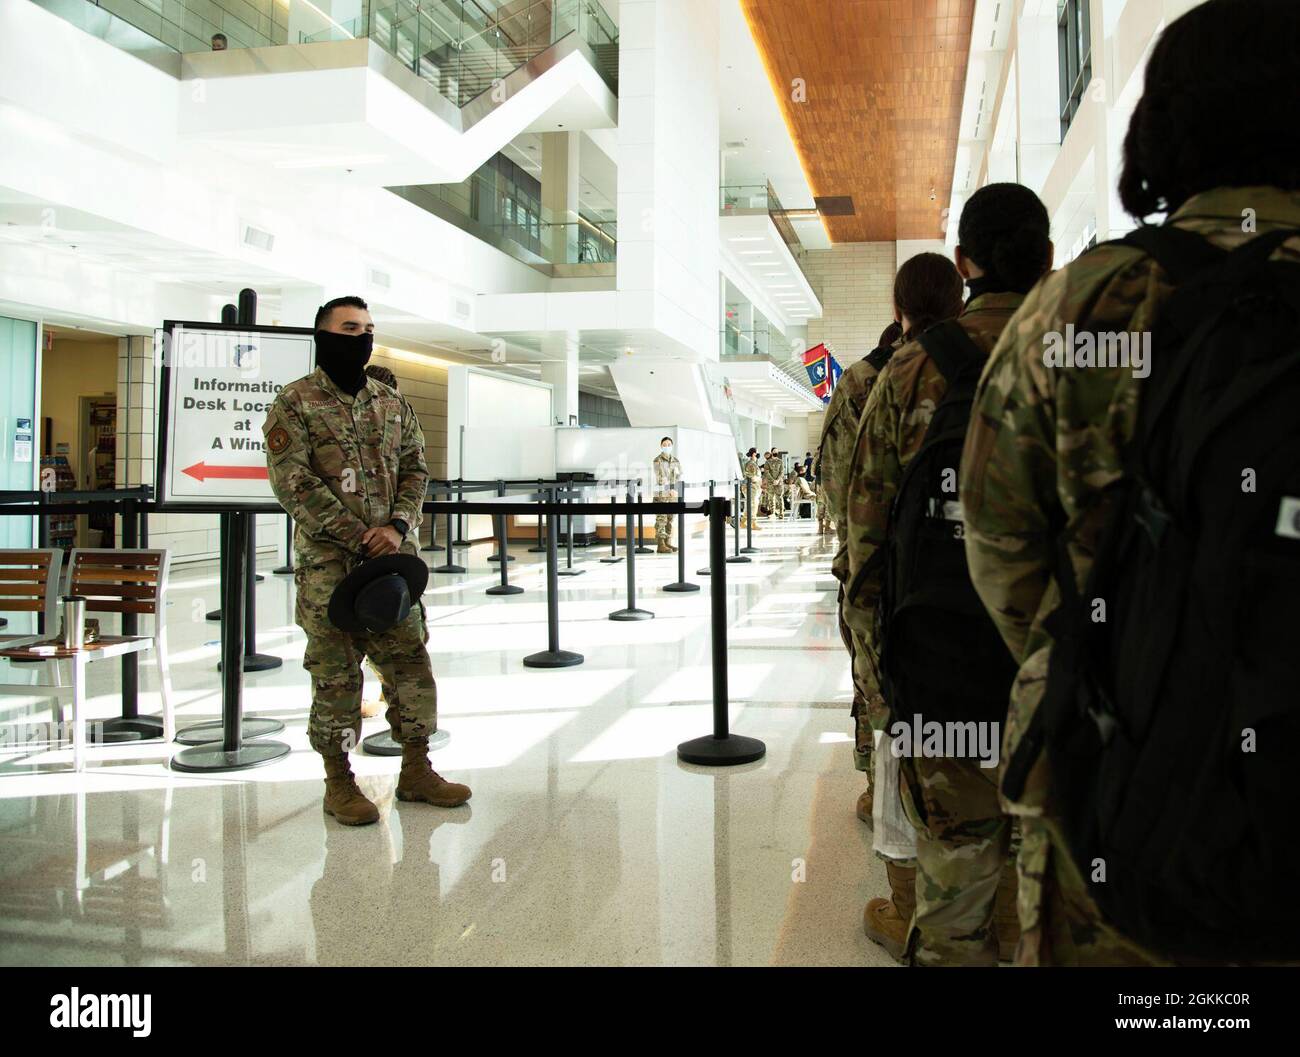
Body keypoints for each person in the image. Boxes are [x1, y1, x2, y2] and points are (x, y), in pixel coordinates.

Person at [962, 0, 1300, 966]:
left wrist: (1123, 646)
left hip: (1115, 800)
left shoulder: (1082, 303)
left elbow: (1000, 551)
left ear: (1164, 127)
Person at [845, 191, 1051, 964]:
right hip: (1068, 685)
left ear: (965, 265)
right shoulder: (1095, 352)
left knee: (954, 896)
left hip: (943, 677)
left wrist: (883, 683)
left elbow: (865, 544)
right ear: (1048, 257)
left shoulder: (908, 369)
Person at [264, 295, 471, 826]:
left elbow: (416, 471)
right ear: (324, 335)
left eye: (369, 329)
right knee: (335, 673)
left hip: (393, 566)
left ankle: (417, 769)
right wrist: (359, 534)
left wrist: (397, 527)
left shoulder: (391, 403)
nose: (361, 338)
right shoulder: (295, 403)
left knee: (410, 665)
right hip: (330, 570)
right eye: (350, 328)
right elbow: (294, 483)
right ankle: (338, 781)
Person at [817, 320, 904, 822]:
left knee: (875, 684)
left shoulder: (860, 381)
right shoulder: (977, 361)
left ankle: (883, 792)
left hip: (872, 567)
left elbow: (835, 483)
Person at [652, 436, 682, 553]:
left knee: (670, 518)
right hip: (662, 494)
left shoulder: (676, 461)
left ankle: (668, 543)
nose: (667, 446)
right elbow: (661, 477)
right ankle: (661, 545)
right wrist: (669, 487)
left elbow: (679, 475)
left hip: (673, 494)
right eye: (664, 444)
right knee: (661, 519)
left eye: (669, 444)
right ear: (661, 446)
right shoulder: (657, 460)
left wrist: (674, 488)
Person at [761, 449, 784, 517]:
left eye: (776, 452)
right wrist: (773, 480)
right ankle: (772, 512)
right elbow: (766, 472)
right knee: (771, 498)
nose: (775, 453)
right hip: (770, 482)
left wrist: (777, 480)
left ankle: (781, 512)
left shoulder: (780, 461)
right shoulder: (767, 462)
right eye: (774, 452)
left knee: (780, 498)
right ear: (772, 453)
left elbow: (782, 472)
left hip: (779, 483)